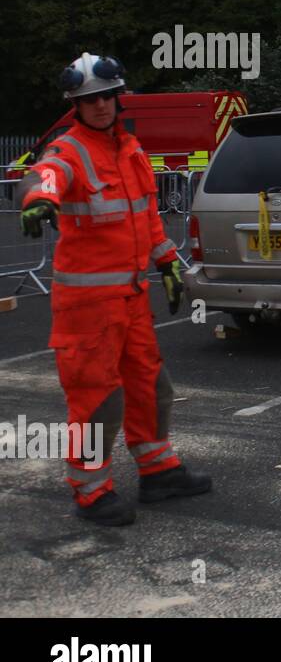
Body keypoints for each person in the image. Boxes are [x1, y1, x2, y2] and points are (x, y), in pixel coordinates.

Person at [19, 54, 212, 526]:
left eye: (106, 96)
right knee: (96, 398)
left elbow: (146, 216)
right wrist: (40, 199)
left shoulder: (130, 150)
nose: (100, 105)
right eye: (89, 100)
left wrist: (167, 261)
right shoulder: (70, 150)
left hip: (129, 298)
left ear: (118, 97)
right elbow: (46, 174)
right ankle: (91, 490)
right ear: (76, 106)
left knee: (151, 386)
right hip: (87, 306)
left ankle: (157, 469)